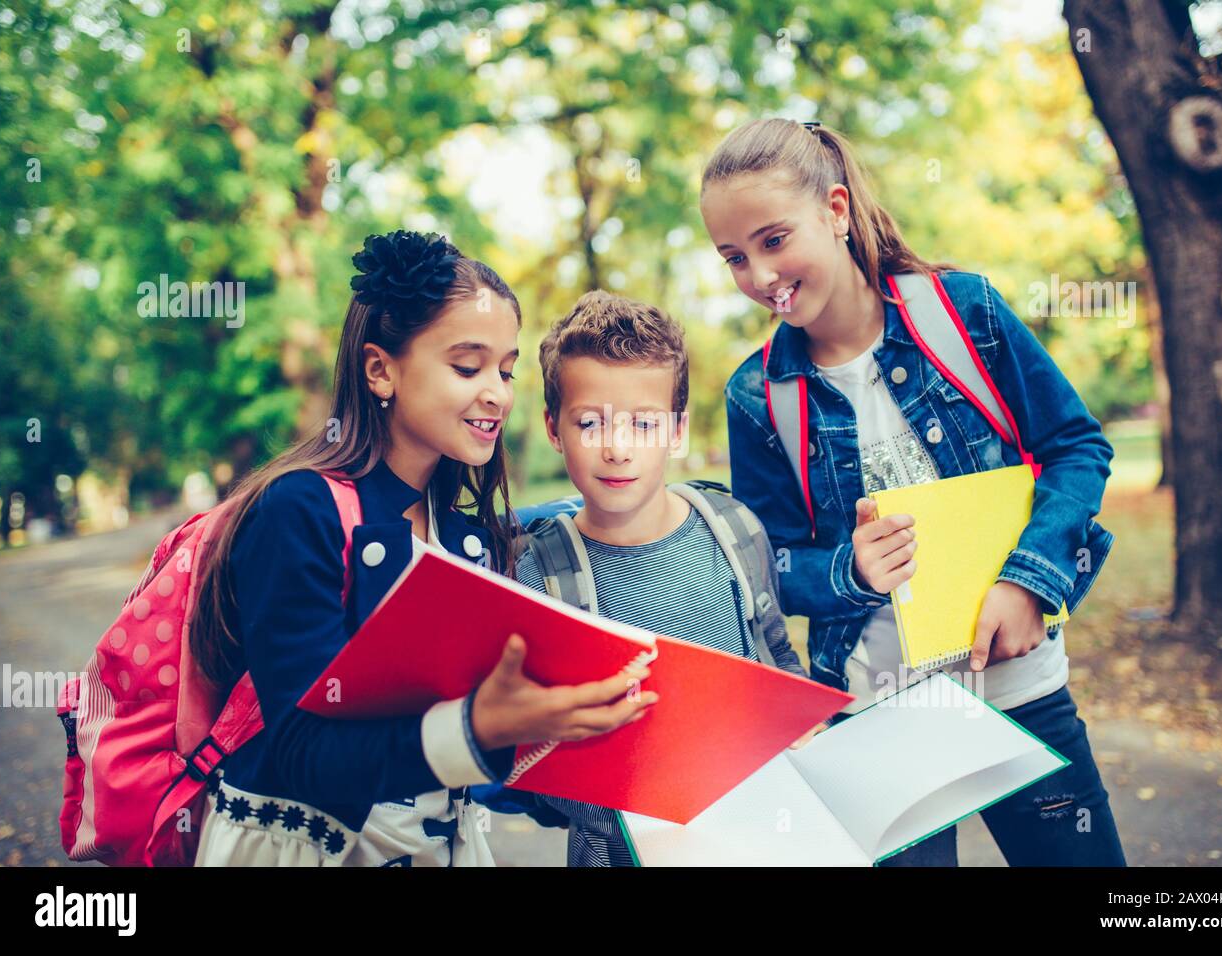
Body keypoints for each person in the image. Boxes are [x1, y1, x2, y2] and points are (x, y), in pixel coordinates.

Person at [700, 117, 1125, 866]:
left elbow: (1076, 448)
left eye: (773, 240)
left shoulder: (967, 313)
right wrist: (851, 572)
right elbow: (767, 570)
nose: (759, 276)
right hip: (879, 714)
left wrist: (1030, 581)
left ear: (835, 211)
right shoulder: (754, 395)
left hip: (1018, 692)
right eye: (735, 257)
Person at [190, 230, 654, 866]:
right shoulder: (298, 509)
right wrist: (481, 728)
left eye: (507, 369)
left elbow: (479, 746)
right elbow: (301, 752)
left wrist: (571, 729)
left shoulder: (469, 533)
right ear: (381, 369)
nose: (497, 391)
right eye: (468, 367)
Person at [511, 290, 819, 866]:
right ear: (555, 429)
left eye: (642, 424)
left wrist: (800, 732)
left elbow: (777, 659)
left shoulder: (733, 527)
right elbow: (537, 768)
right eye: (589, 422)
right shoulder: (541, 578)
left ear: (677, 431)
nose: (617, 448)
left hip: (755, 842)